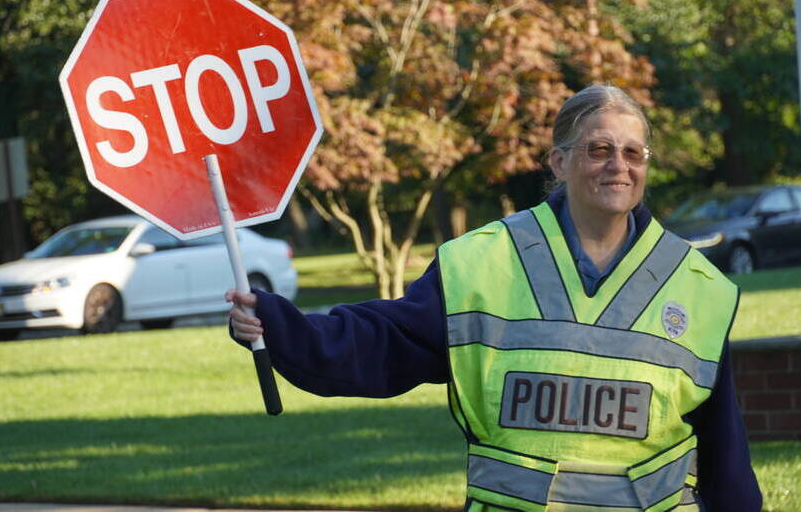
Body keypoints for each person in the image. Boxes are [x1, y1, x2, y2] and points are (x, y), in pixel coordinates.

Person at [228, 85, 762, 512]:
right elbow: (386, 342)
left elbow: (724, 448)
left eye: (632, 152)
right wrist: (280, 325)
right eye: (598, 149)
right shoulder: (482, 263)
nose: (617, 165)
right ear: (558, 162)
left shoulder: (697, 286)